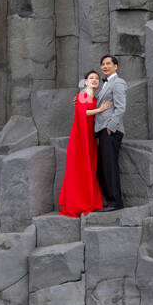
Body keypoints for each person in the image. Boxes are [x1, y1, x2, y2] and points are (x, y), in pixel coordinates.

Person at [58, 70, 103, 217]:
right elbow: (82, 113)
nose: (94, 80)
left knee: (89, 166)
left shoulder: (93, 97)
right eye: (91, 78)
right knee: (80, 167)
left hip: (89, 137)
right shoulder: (83, 95)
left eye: (96, 78)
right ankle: (79, 202)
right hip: (80, 137)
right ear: (85, 82)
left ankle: (87, 200)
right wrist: (100, 109)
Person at [93, 54, 126, 211]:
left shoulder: (118, 82)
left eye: (108, 63)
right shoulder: (104, 85)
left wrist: (110, 127)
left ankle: (115, 202)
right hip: (101, 131)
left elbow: (121, 107)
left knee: (109, 166)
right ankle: (110, 200)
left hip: (110, 131)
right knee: (101, 168)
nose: (104, 66)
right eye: (102, 64)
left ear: (115, 66)